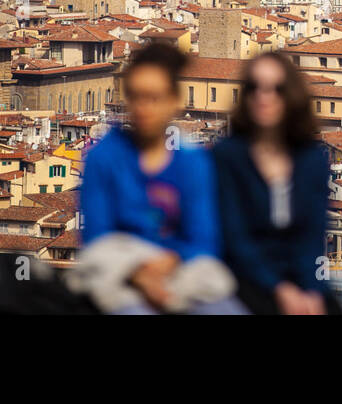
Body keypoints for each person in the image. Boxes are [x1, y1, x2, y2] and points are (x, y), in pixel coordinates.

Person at [75, 43, 244, 314]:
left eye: (154, 98)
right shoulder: (103, 158)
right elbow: (97, 236)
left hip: (183, 272)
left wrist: (166, 266)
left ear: (174, 100)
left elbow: (204, 238)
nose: (143, 107)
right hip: (120, 274)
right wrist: (140, 275)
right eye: (136, 97)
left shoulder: (192, 161)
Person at [213, 50, 338, 315]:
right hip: (242, 278)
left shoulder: (311, 159)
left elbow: (312, 236)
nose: (264, 96)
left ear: (291, 96)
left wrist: (312, 290)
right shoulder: (227, 156)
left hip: (299, 278)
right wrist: (281, 290)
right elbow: (235, 239)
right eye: (254, 87)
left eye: (276, 89)